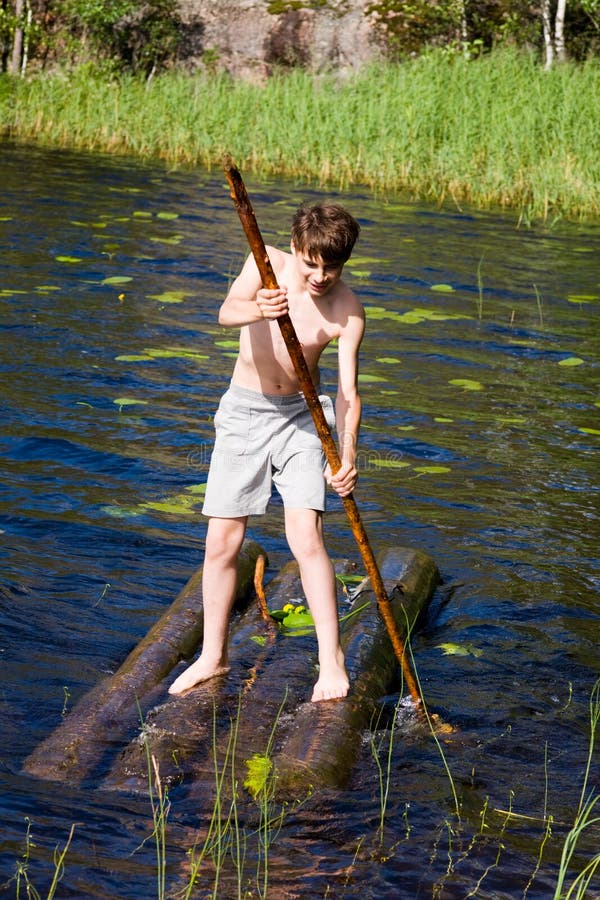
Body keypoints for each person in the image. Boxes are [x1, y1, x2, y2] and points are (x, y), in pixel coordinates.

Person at [169, 203, 364, 702]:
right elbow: (224, 312)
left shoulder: (348, 310)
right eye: (311, 263)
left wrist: (345, 456)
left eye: (331, 267)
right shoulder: (265, 263)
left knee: (306, 536)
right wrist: (261, 308)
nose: (320, 276)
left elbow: (347, 394)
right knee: (223, 541)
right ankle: (213, 657)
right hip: (244, 413)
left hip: (303, 418)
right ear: (296, 249)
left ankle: (332, 663)